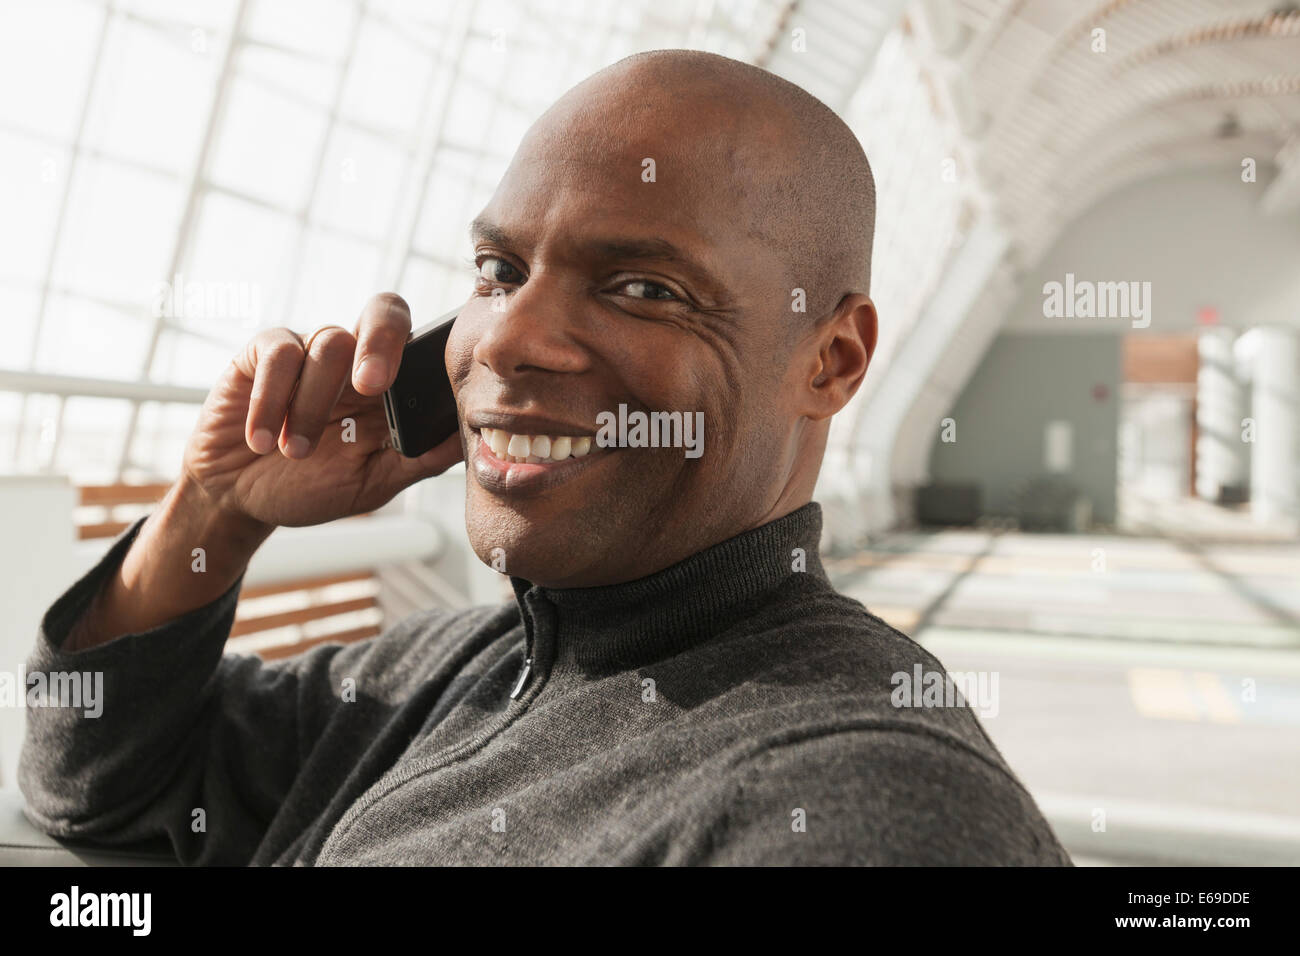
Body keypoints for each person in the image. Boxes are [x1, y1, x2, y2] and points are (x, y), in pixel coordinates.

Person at [19, 49, 1071, 865]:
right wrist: (215, 509)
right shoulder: (447, 674)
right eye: (498, 268)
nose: (508, 338)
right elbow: (95, 773)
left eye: (643, 287)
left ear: (829, 359)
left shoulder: (864, 798)